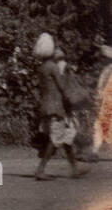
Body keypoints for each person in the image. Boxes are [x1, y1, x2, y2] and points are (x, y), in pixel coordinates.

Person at [33, 32, 86, 180]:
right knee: (56, 138)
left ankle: (74, 169)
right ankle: (40, 169)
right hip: (56, 106)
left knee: (66, 136)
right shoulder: (53, 67)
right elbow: (62, 87)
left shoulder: (42, 67)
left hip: (46, 105)